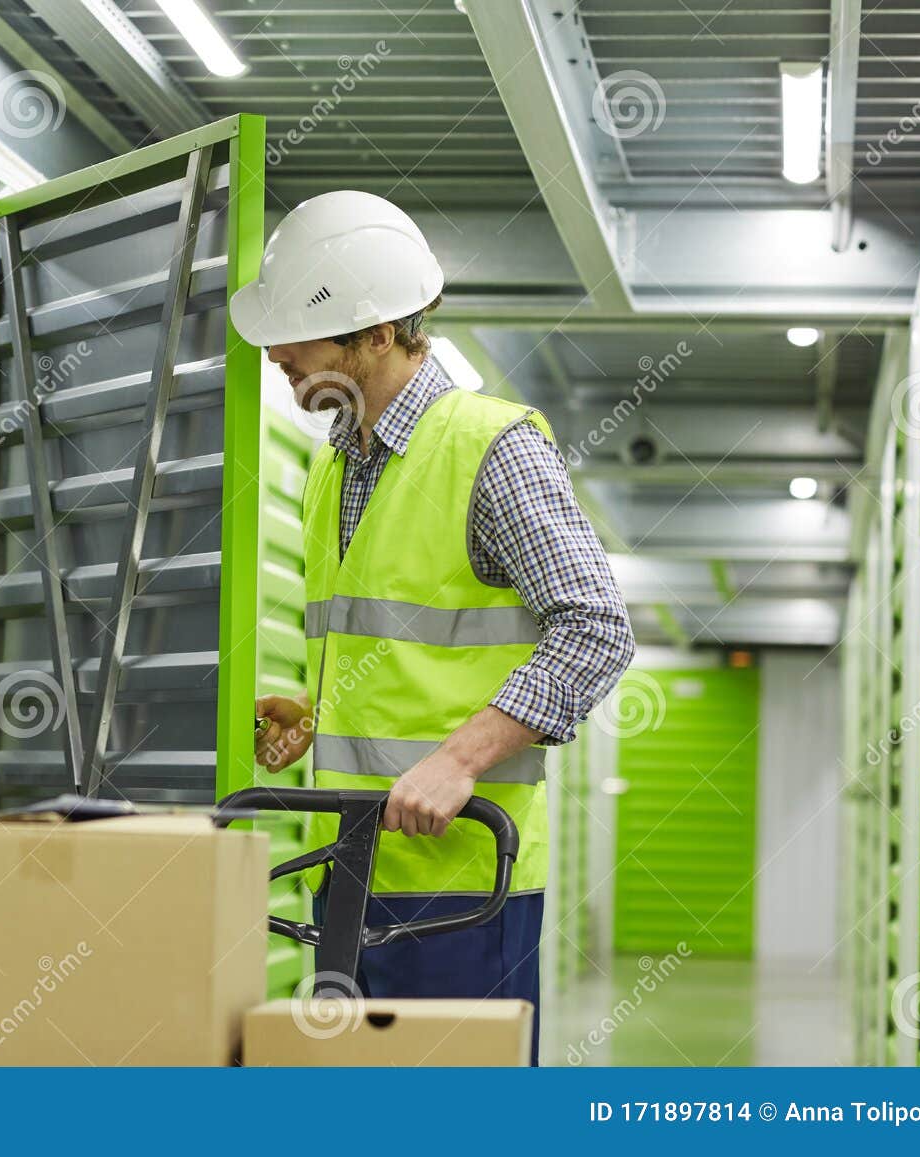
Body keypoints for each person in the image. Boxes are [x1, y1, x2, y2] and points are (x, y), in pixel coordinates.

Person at [229, 190, 635, 1064]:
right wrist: (315, 712)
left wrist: (457, 759)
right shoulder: (334, 469)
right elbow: (410, 648)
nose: (276, 353)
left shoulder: (492, 448)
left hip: (461, 886)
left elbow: (597, 628)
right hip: (352, 873)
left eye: (298, 330)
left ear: (379, 334)